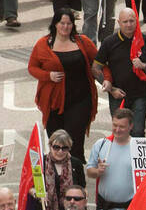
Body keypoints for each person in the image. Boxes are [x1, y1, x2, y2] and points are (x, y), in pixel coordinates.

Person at [28, 9, 98, 160]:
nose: (65, 27)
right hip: (54, 102)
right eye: (62, 23)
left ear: (73, 25)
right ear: (55, 24)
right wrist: (48, 76)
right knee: (56, 142)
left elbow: (99, 62)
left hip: (80, 99)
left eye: (69, 23)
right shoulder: (43, 44)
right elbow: (32, 68)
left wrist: (107, 80)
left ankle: (77, 179)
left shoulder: (83, 42)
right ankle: (58, 177)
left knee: (75, 141)